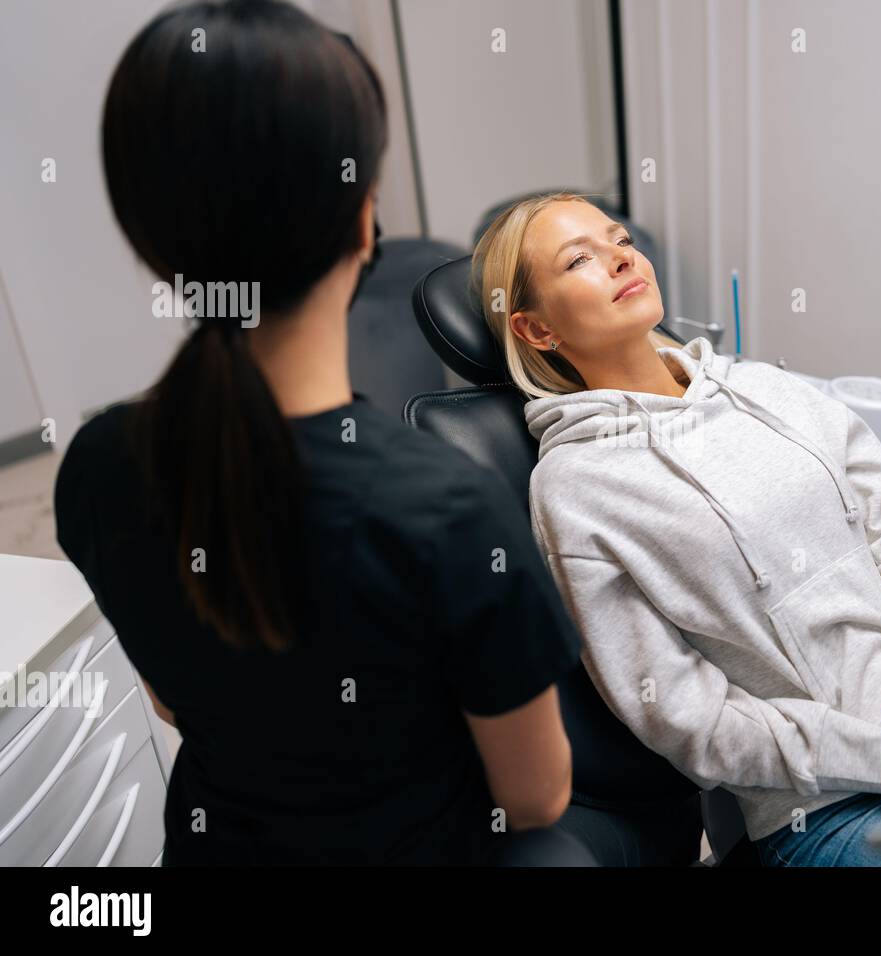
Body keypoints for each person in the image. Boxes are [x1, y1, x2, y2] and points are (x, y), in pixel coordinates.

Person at [54, 0, 587, 866]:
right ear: (363, 216)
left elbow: (172, 703)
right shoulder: (446, 507)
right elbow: (536, 797)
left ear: (148, 237)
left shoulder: (94, 468)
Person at [470, 191, 881, 865]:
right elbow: (684, 715)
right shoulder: (575, 488)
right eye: (581, 260)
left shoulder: (768, 387)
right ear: (537, 330)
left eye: (619, 239)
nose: (621, 259)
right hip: (823, 804)